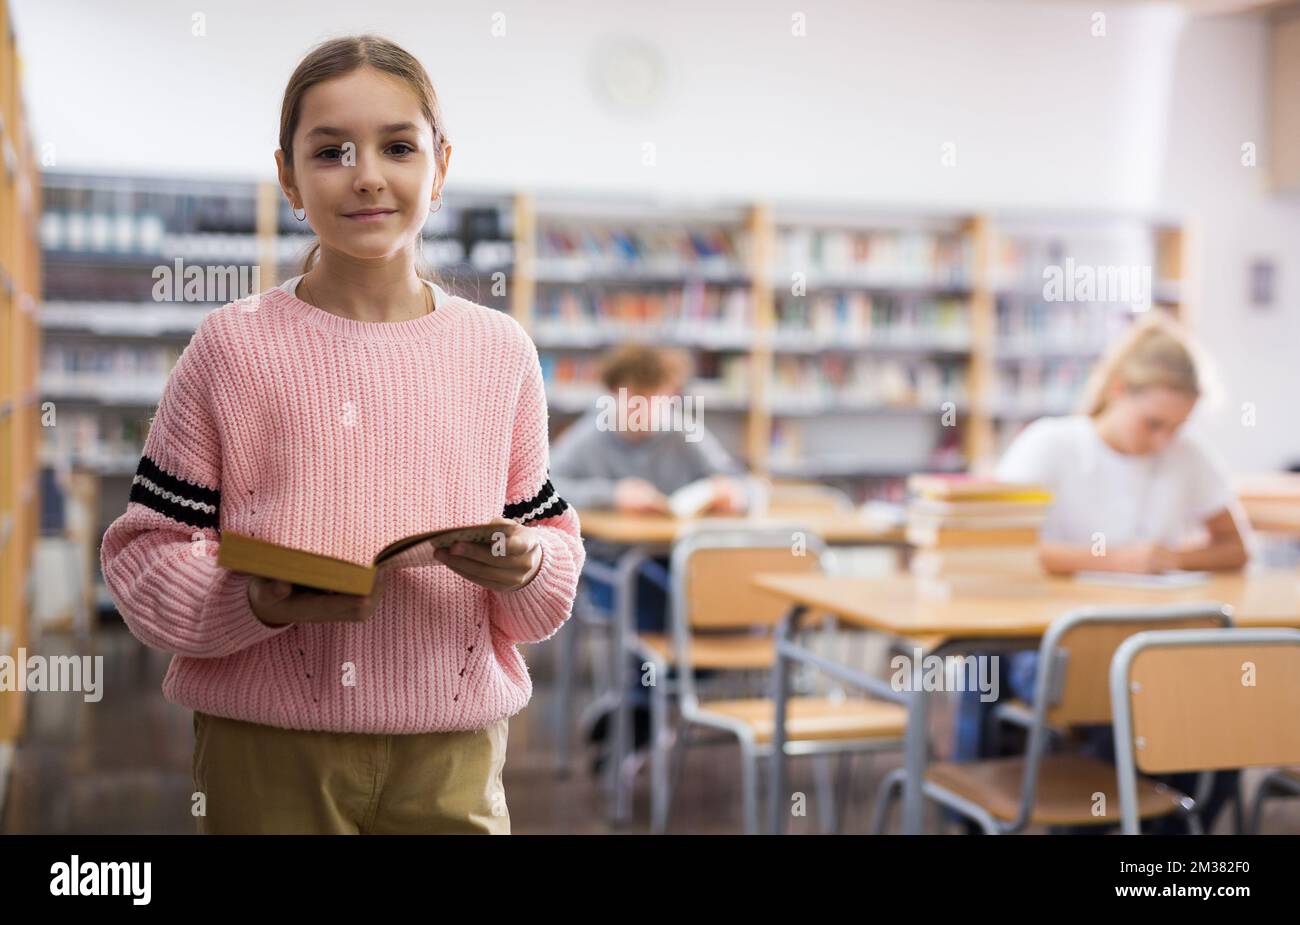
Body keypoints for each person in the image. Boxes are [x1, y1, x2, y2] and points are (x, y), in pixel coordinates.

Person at [100, 35, 584, 834]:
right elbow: (143, 557)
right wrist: (252, 599)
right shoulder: (232, 345)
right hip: (265, 747)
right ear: (288, 175)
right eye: (331, 151)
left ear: (441, 164)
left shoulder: (502, 353)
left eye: (398, 146)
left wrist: (528, 562)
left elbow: (550, 555)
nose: (367, 174)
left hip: (453, 747)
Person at [954, 316, 1248, 833]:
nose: (1163, 440)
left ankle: (1160, 837)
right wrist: (1112, 559)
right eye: (1153, 423)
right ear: (1118, 391)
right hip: (1055, 642)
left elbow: (1235, 547)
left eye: (1177, 427)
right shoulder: (1052, 444)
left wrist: (1170, 558)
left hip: (1156, 643)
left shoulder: (1186, 455)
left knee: (1214, 728)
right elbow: (1000, 547)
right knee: (1125, 711)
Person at [550, 344, 754, 766]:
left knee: (709, 597)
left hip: (679, 566)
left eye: (656, 398)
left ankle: (639, 702)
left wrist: (731, 494)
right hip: (611, 569)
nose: (644, 410)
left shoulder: (683, 434)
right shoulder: (591, 435)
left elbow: (742, 483)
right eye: (634, 399)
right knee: (650, 586)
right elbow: (546, 489)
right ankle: (648, 702)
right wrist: (613, 495)